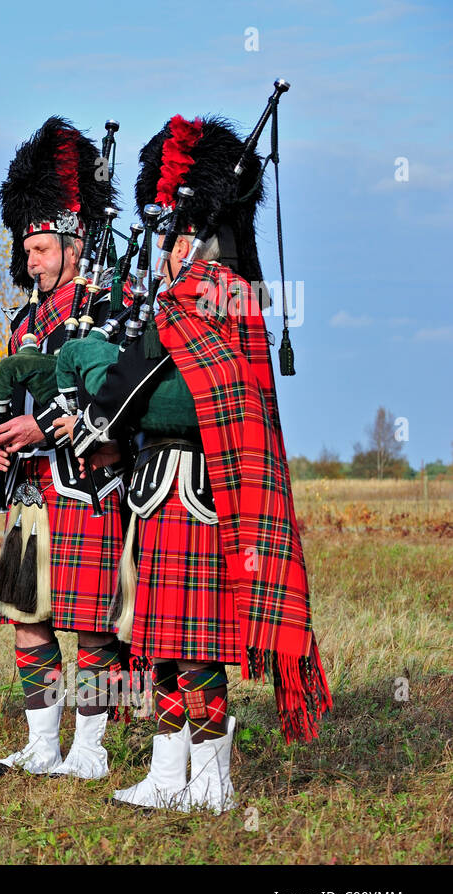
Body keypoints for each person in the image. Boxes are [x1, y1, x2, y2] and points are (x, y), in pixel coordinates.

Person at [62, 115, 332, 812]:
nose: (164, 248)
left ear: (199, 231)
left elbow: (182, 402)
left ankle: (212, 780)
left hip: (200, 492)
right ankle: (167, 771)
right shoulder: (184, 298)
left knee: (198, 643)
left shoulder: (220, 295)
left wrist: (96, 370)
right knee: (161, 644)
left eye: (173, 233)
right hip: (160, 491)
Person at [0, 117, 128, 781]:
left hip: (90, 482)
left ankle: (90, 752)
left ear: (74, 240)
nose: (30, 260)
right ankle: (42, 745)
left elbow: (120, 388)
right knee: (28, 617)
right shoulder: (22, 321)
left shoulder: (112, 302)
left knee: (93, 623)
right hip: (30, 490)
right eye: (26, 248)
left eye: (40, 247)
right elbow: (4, 400)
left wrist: (49, 425)